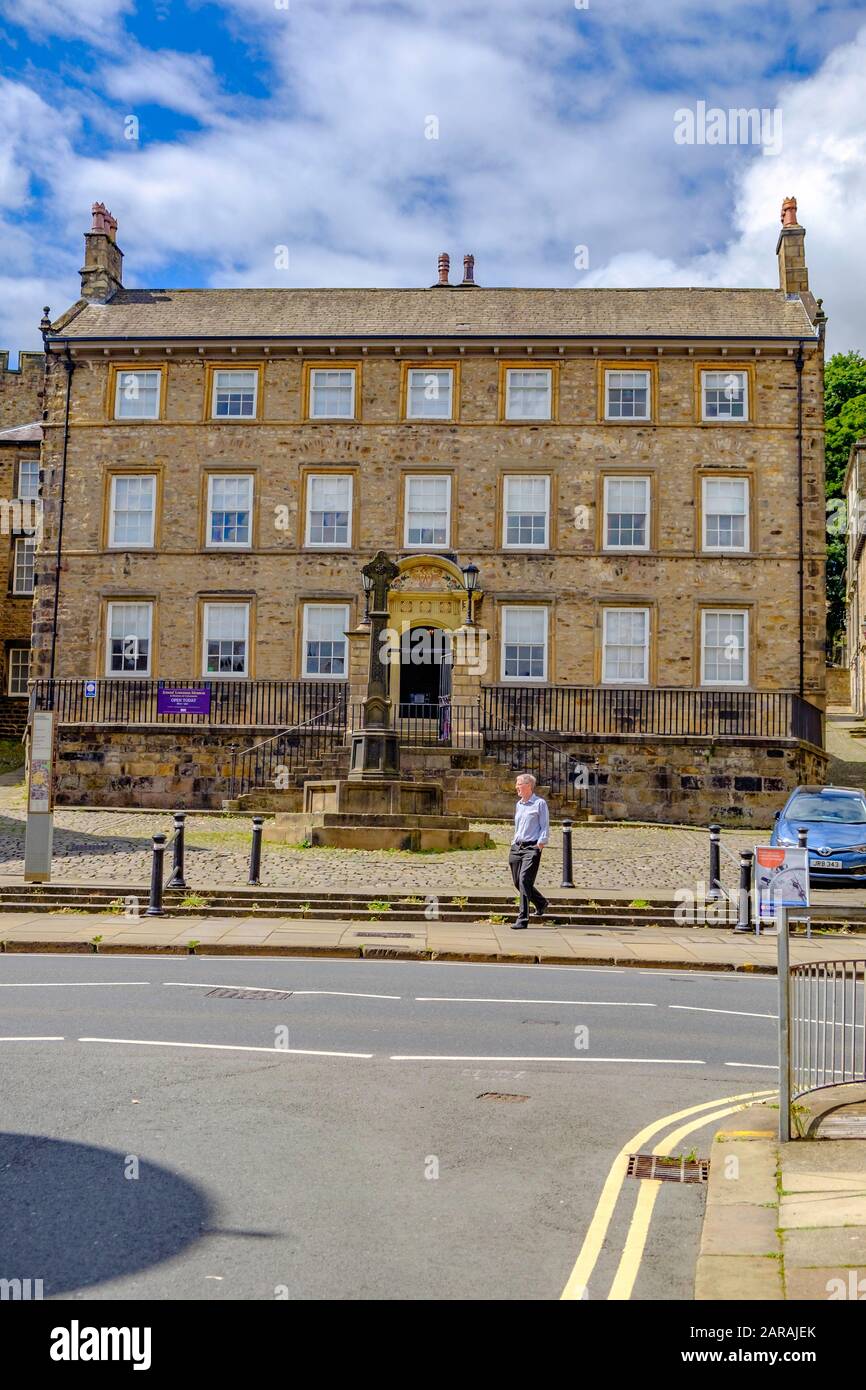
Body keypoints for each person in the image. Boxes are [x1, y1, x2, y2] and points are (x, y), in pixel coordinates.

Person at [509, 772, 550, 929]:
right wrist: (514, 842)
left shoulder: (539, 804)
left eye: (518, 784)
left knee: (525, 880)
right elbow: (519, 826)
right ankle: (541, 902)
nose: (516, 787)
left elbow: (544, 825)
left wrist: (540, 844)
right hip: (517, 847)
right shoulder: (519, 804)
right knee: (518, 882)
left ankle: (522, 919)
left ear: (527, 786)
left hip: (532, 847)